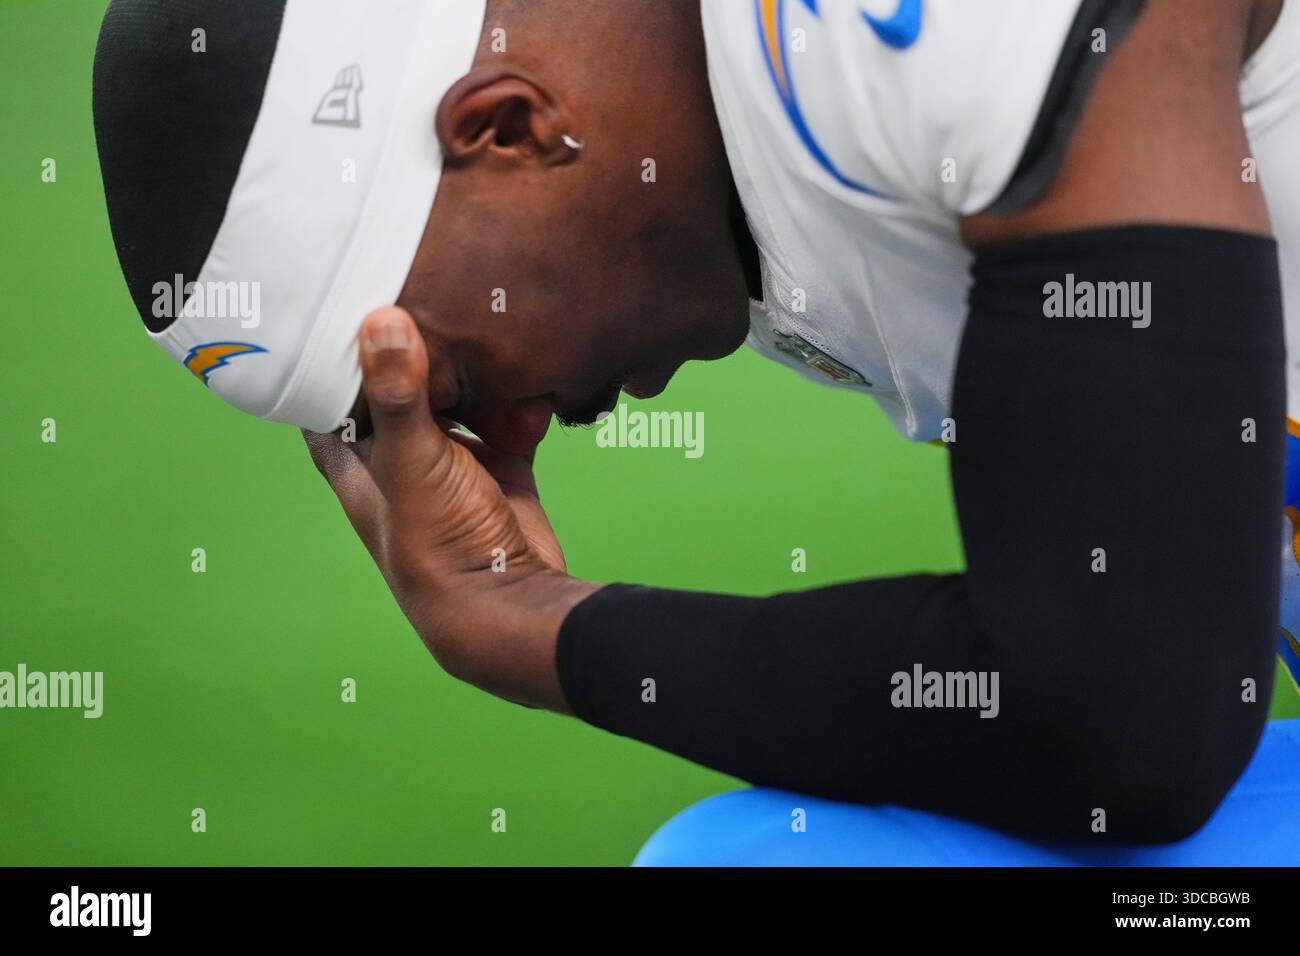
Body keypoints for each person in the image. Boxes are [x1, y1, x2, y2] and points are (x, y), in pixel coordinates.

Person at [94, 0, 1299, 842]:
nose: (528, 426)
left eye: (452, 381)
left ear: (506, 127)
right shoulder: (737, 169)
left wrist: (535, 626)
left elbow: (1128, 714)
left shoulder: (888, 36)